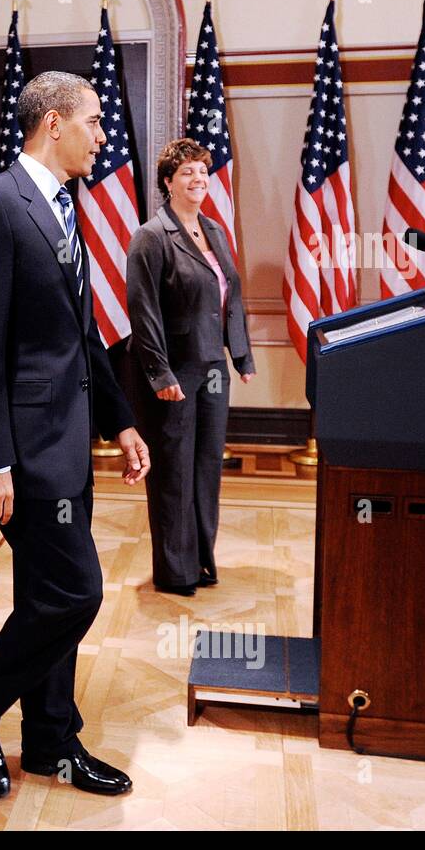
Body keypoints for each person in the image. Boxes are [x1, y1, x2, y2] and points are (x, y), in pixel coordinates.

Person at [0, 71, 151, 800]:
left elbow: (80, 335)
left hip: (70, 445)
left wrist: (121, 420)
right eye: (95, 123)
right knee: (76, 592)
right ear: (54, 123)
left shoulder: (65, 207)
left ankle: (52, 744)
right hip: (24, 456)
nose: (103, 136)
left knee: (45, 596)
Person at [125, 139, 256, 596]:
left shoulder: (215, 231)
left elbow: (231, 296)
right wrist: (160, 376)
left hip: (213, 368)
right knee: (173, 473)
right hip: (173, 374)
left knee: (206, 468)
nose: (198, 179)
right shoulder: (151, 236)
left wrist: (241, 356)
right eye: (187, 173)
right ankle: (175, 571)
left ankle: (201, 561)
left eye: (203, 171)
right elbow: (144, 314)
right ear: (168, 181)